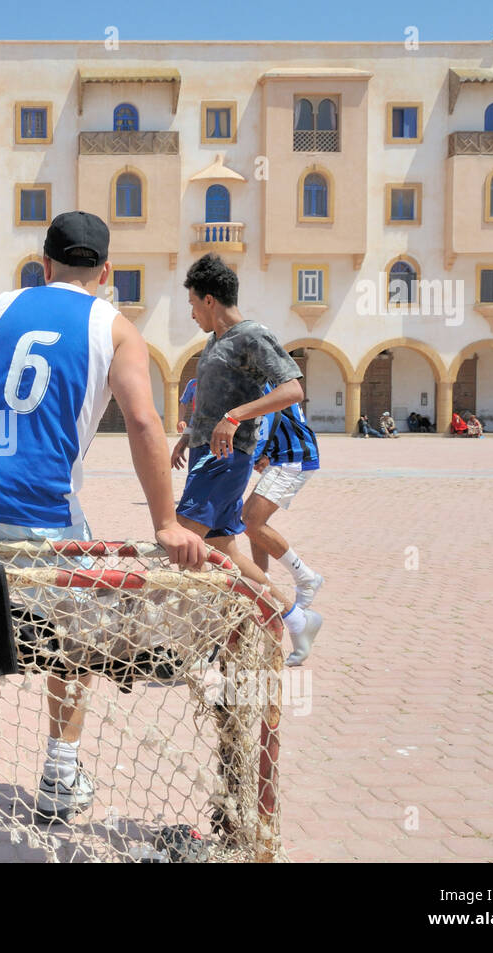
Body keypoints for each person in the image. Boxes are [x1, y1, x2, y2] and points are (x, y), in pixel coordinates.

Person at [0, 211, 206, 838]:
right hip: (43, 506)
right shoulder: (114, 327)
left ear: (43, 263)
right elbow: (142, 421)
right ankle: (58, 776)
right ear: (105, 272)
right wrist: (165, 522)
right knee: (72, 639)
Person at [170, 254, 322, 667]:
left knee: (181, 544)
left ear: (208, 300)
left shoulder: (251, 335)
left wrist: (235, 417)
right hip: (205, 454)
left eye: (192, 305)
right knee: (224, 552)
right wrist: (187, 437)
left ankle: (188, 646)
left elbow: (292, 390)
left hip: (225, 459)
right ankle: (296, 617)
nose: (191, 313)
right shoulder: (214, 341)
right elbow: (212, 398)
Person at [245, 392, 326, 650]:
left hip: (294, 457)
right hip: (285, 455)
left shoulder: (261, 377)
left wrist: (255, 455)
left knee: (251, 522)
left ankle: (305, 577)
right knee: (250, 521)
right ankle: (263, 586)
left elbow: (270, 414)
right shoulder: (265, 375)